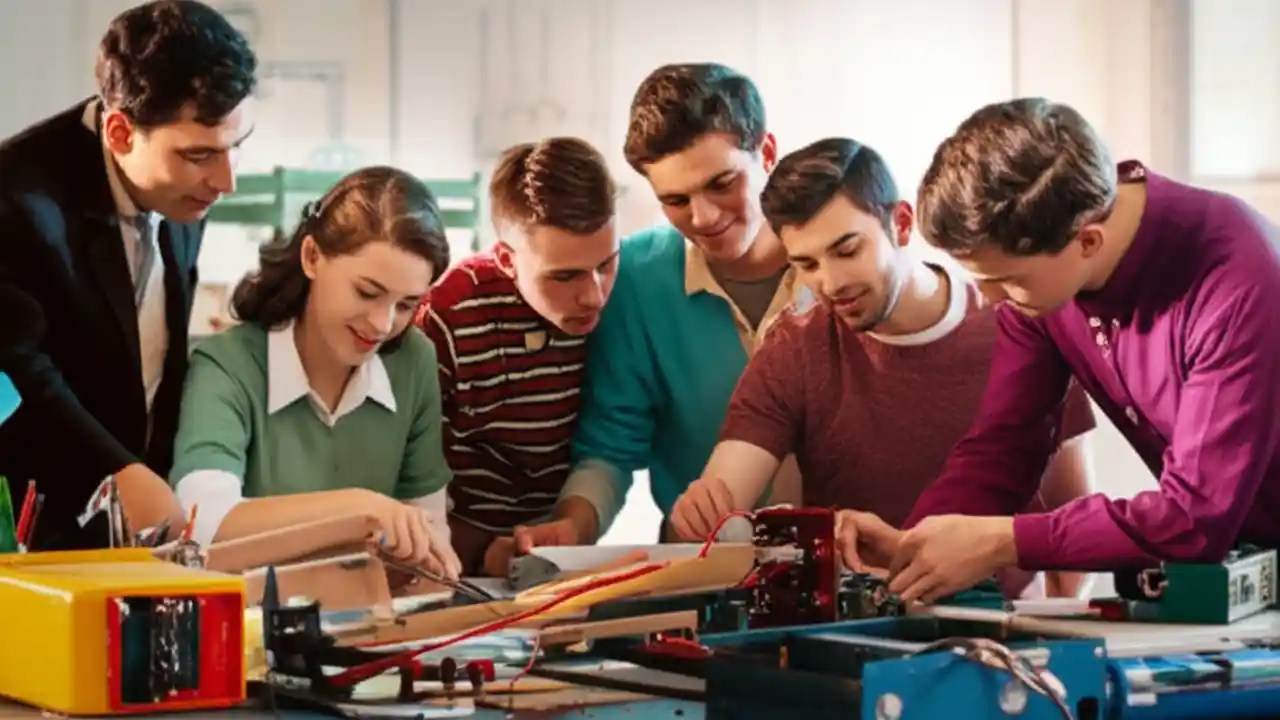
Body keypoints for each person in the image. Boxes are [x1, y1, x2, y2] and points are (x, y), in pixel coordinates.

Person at [840, 97, 1280, 605]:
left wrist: (1005, 542)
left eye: (1005, 280)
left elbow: (1193, 518)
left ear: (1087, 242)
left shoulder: (1239, 279)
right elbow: (1003, 447)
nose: (991, 299)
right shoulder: (1046, 273)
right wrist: (917, 546)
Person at [669, 137, 1097, 597]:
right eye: (806, 264)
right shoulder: (794, 347)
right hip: (856, 629)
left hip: (1005, 627)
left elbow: (1072, 520)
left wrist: (1052, 639)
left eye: (847, 250)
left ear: (902, 224)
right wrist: (699, 514)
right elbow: (721, 501)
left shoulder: (1019, 326)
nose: (830, 283)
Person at [513, 63, 810, 551]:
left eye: (722, 183)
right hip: (704, 569)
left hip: (855, 565)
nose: (704, 217)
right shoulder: (636, 278)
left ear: (768, 152)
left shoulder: (841, 265)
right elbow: (610, 447)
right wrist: (574, 525)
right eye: (675, 199)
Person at [0, 0, 256, 550]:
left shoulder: (181, 191)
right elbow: (15, 377)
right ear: (119, 132)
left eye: (236, 147)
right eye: (199, 154)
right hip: (33, 529)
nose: (225, 180)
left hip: (139, 524)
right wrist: (116, 473)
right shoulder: (16, 200)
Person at [169, 167, 459, 577]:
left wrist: (428, 555)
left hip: (370, 621)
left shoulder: (414, 360)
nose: (382, 323)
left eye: (407, 304)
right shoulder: (228, 363)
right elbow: (203, 527)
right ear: (312, 257)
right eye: (367, 292)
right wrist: (360, 509)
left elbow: (426, 525)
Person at [414, 137, 619, 576]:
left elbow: (614, 445)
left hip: (564, 556)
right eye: (564, 276)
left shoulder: (624, 302)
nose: (594, 296)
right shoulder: (445, 317)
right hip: (453, 562)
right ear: (507, 259)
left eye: (606, 265)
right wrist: (486, 555)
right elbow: (412, 484)